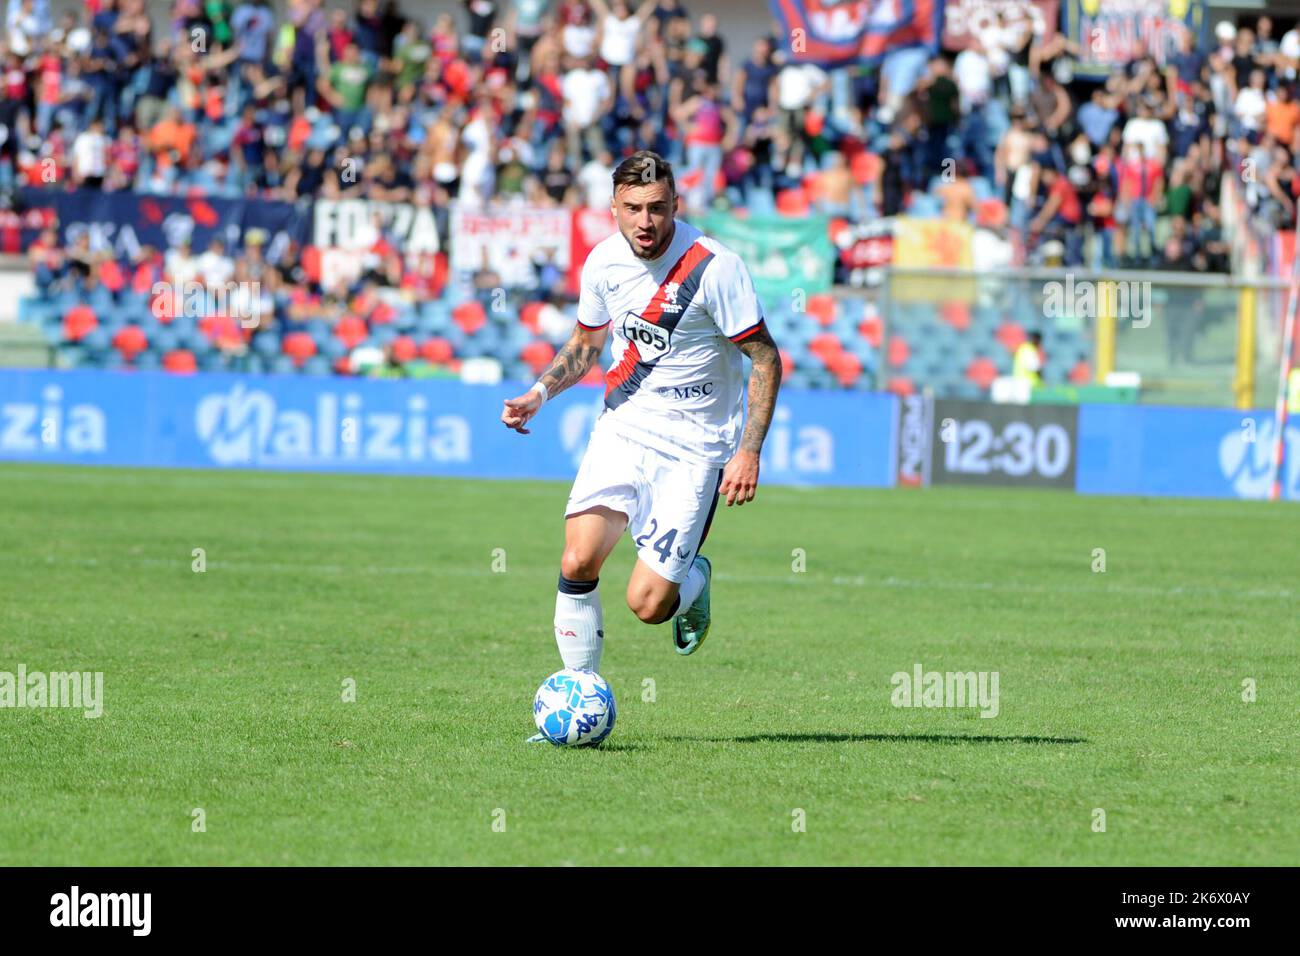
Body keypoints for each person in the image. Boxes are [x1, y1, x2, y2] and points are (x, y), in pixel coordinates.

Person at [500, 152, 782, 740]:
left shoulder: (715, 268)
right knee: (577, 560)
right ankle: (579, 698)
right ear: (615, 209)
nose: (645, 221)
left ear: (676, 205)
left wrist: (748, 450)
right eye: (632, 209)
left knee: (649, 605)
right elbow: (585, 345)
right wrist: (538, 394)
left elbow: (764, 357)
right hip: (623, 427)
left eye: (657, 208)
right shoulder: (603, 261)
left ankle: (695, 581)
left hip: (695, 449)